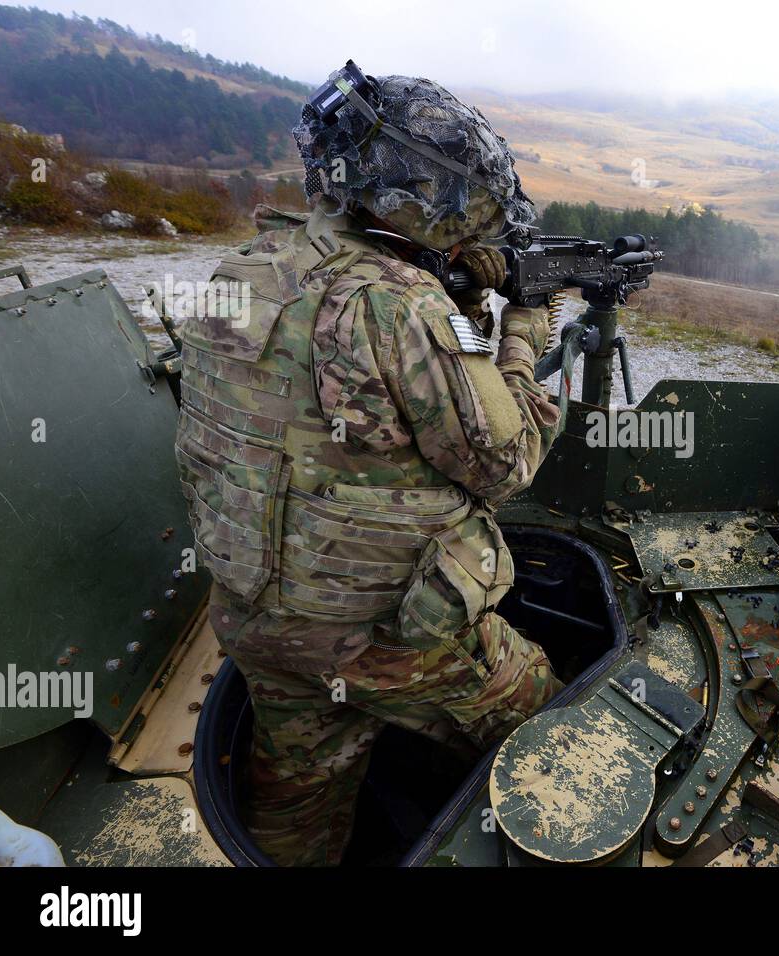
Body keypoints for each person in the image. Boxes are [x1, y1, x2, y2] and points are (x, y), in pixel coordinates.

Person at [173, 69, 562, 866]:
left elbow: (329, 404)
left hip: (256, 618)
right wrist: (522, 330)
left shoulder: (243, 270)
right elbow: (507, 458)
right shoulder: (402, 307)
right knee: (548, 720)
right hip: (385, 640)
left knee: (298, 786)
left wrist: (459, 294)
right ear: (417, 197)